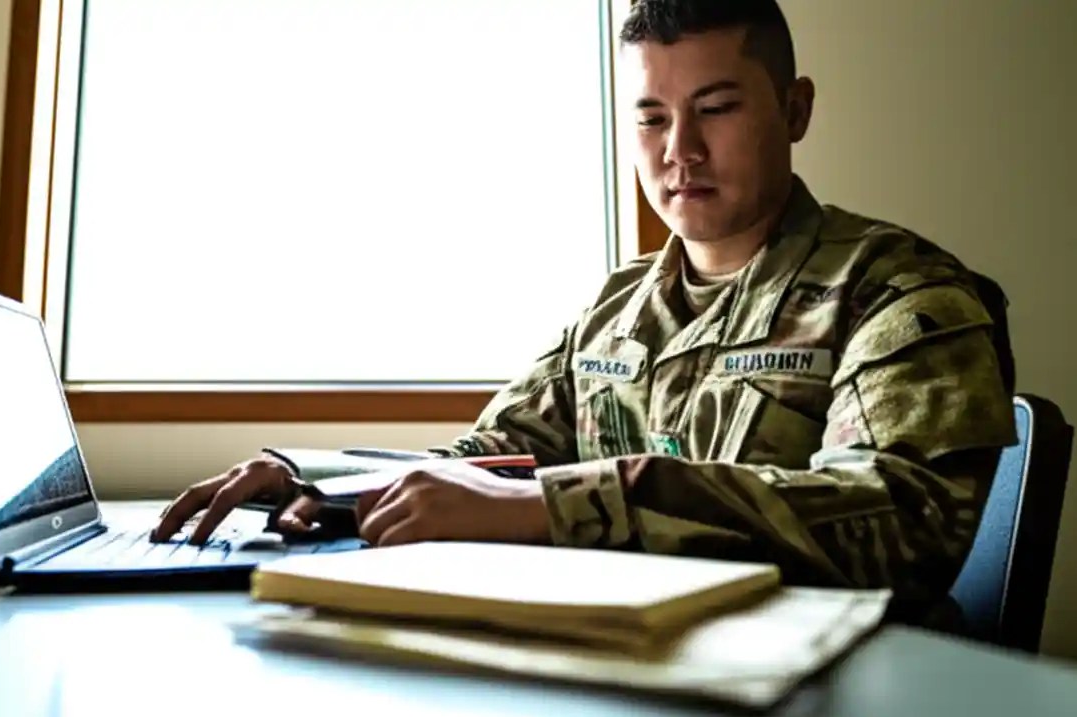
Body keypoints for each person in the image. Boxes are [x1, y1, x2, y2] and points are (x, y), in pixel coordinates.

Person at [152, 0, 1017, 625]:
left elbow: (905, 523)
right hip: (624, 665)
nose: (680, 150)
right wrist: (325, 487)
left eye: (715, 109)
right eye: (650, 119)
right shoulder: (617, 308)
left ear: (793, 111)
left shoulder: (901, 291)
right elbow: (490, 458)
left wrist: (554, 508)